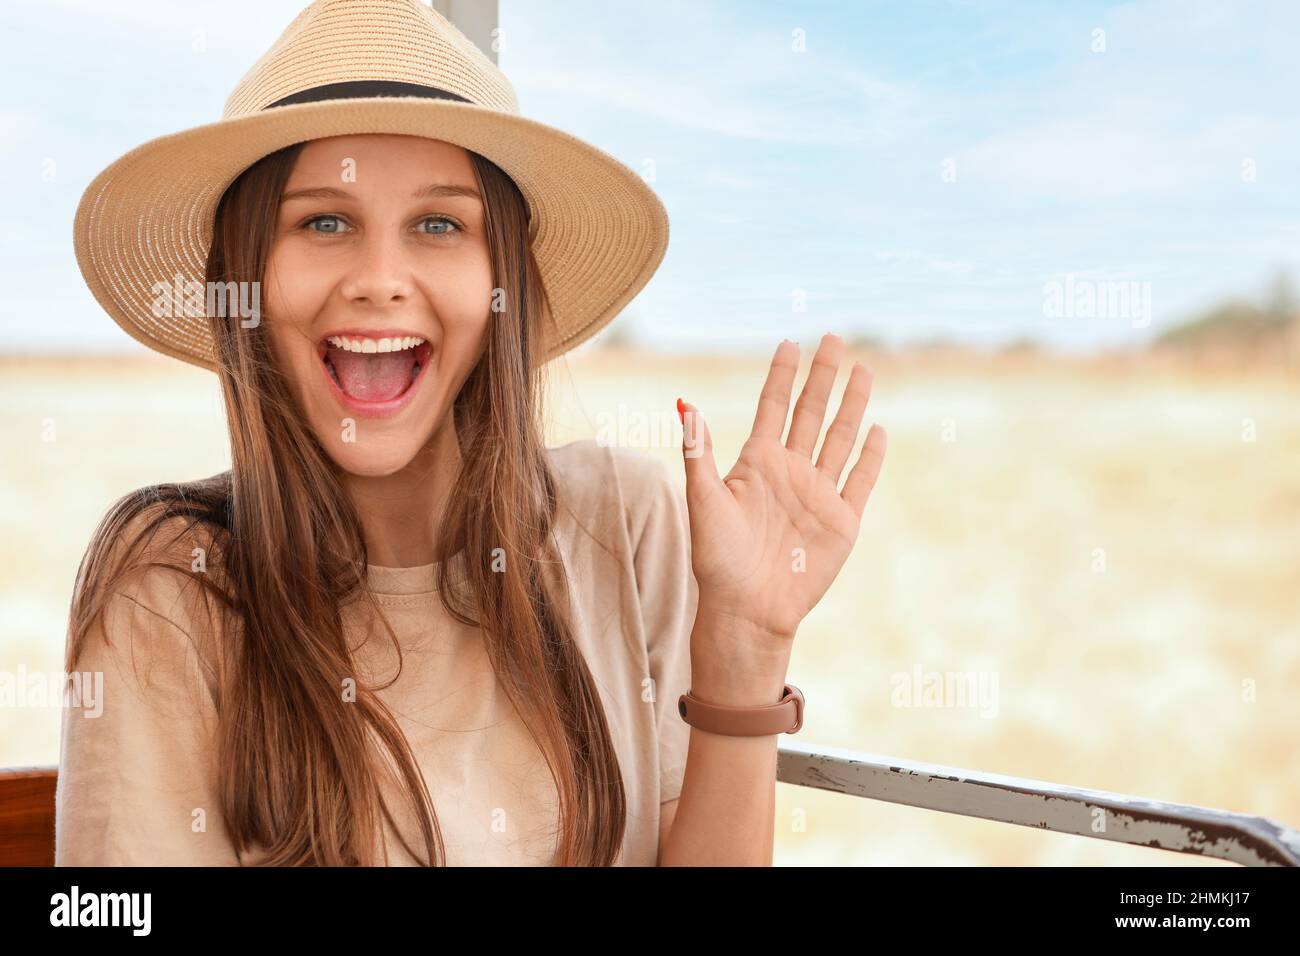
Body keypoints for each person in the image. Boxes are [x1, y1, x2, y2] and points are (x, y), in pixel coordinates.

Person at [57, 0, 887, 866]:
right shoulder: (171, 584)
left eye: (440, 224)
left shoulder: (626, 521)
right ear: (247, 280)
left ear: (504, 286)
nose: (381, 280)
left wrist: (746, 648)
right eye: (323, 222)